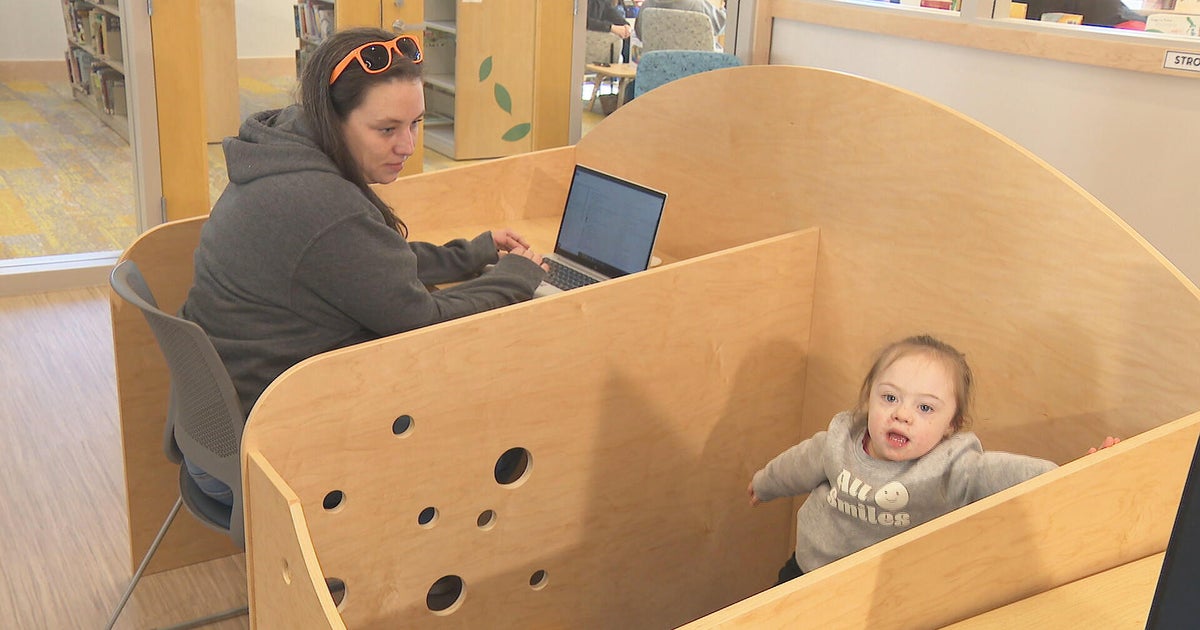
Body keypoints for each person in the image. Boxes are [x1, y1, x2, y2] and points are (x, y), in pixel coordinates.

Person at [180, 27, 548, 504]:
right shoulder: (322, 204)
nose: (407, 146)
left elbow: (365, 264)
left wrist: (472, 252)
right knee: (492, 398)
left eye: (416, 123)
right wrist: (516, 279)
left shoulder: (282, 156)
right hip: (273, 453)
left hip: (225, 432)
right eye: (387, 129)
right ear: (334, 120)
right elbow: (422, 321)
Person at [747, 335, 1120, 584]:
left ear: (950, 426)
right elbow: (795, 466)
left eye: (925, 408)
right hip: (808, 571)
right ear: (868, 399)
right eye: (890, 398)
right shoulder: (839, 442)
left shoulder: (952, 466)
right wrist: (764, 483)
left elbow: (1008, 473)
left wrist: (1076, 473)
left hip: (885, 594)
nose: (902, 414)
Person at [634, 0, 727, 50]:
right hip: (697, 75)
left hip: (657, 74)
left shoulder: (646, 6)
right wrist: (726, 8)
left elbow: (640, 35)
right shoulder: (699, 5)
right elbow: (726, 25)